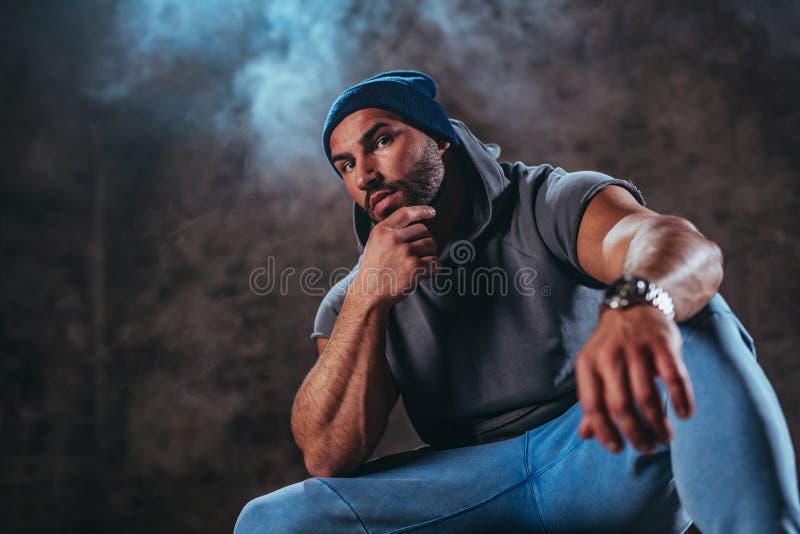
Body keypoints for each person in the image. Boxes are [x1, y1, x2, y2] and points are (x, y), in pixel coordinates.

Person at [235, 70, 800, 533]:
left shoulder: (552, 200)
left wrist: (640, 302)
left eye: (381, 140)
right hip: (469, 490)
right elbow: (328, 456)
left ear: (440, 139)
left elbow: (676, 245)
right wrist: (366, 299)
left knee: (693, 316)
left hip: (599, 451)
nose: (365, 175)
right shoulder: (355, 297)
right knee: (274, 522)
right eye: (346, 165)